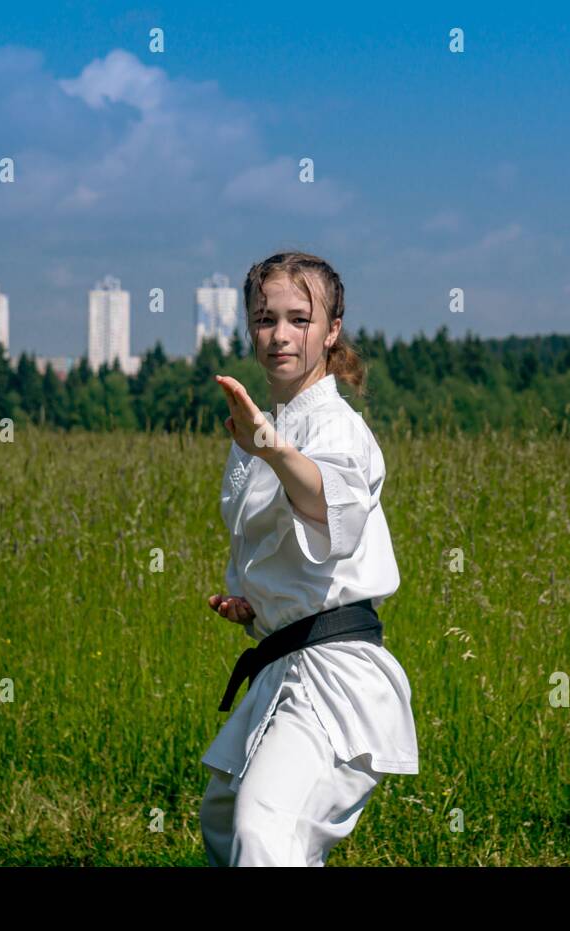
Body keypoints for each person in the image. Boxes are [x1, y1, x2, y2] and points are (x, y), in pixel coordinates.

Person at [200, 250, 419, 867]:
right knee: (223, 818)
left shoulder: (337, 429)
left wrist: (270, 446)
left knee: (264, 829)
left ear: (332, 330)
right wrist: (251, 604)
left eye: (301, 318)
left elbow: (328, 506)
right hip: (282, 663)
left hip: (337, 670)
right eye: (266, 319)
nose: (281, 335)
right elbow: (268, 546)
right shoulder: (257, 435)